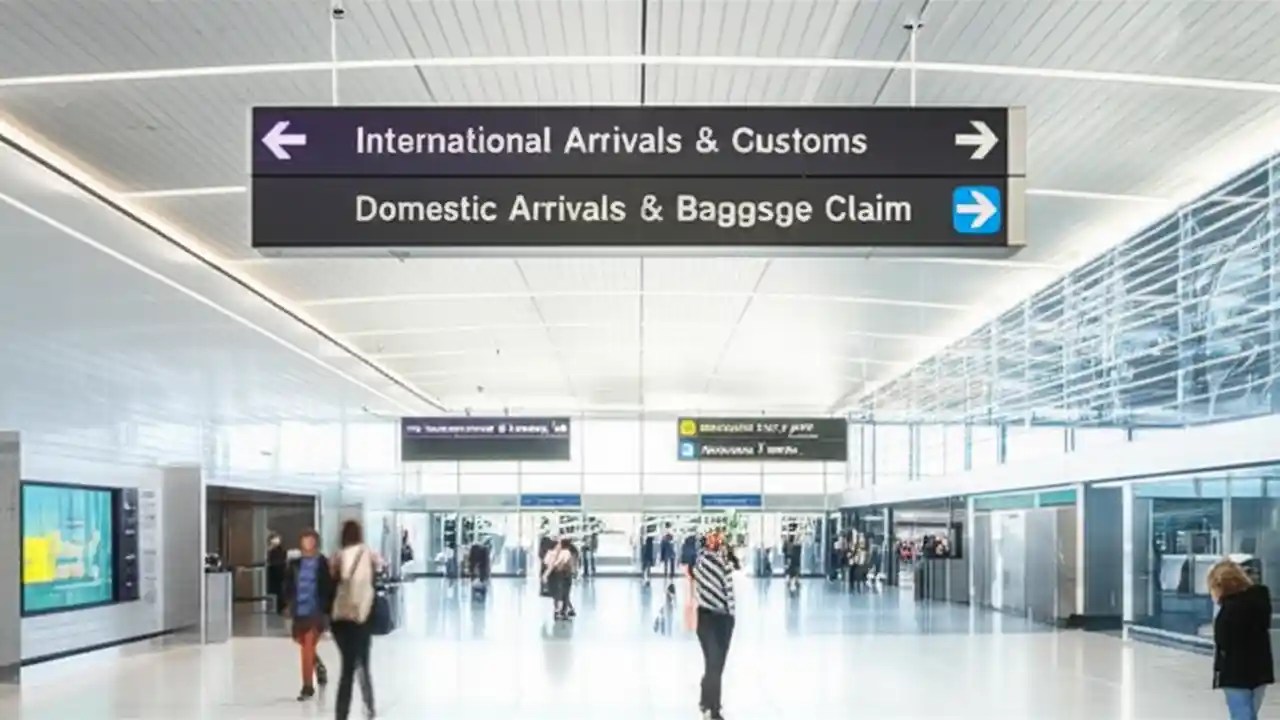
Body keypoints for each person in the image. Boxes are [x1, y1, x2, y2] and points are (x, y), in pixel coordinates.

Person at [1209, 559, 1274, 720]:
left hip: (1235, 675)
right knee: (1249, 714)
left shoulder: (1228, 610)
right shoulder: (1260, 599)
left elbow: (1222, 641)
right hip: (1260, 671)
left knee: (1241, 715)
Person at [330, 520, 379, 720]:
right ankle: (369, 706)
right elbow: (375, 580)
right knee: (364, 664)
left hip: (340, 618)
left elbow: (332, 585)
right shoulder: (369, 555)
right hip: (362, 617)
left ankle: (341, 714)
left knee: (346, 668)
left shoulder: (337, 557)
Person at [692, 531, 739, 720]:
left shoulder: (699, 564)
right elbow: (729, 593)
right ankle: (713, 709)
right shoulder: (723, 564)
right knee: (717, 665)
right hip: (722, 619)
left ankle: (706, 703)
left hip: (703, 618)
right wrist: (732, 617)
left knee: (711, 663)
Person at [282, 529, 332, 701]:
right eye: (305, 540)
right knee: (303, 643)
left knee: (308, 645)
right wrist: (287, 604)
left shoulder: (323, 563)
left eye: (311, 540)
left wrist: (327, 611)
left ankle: (307, 686)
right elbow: (288, 586)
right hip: (299, 610)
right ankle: (319, 666)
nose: (308, 544)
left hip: (316, 610)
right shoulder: (295, 563)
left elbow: (328, 587)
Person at [543, 537, 574, 621]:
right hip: (563, 574)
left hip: (554, 575)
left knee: (558, 595)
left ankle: (559, 611)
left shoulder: (550, 553)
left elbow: (546, 563)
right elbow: (562, 562)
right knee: (564, 594)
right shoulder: (565, 552)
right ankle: (563, 611)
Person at [266, 532, 287, 616]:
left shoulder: (278, 551)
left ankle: (279, 607)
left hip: (278, 572)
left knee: (278, 591)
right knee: (277, 591)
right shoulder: (272, 551)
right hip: (276, 572)